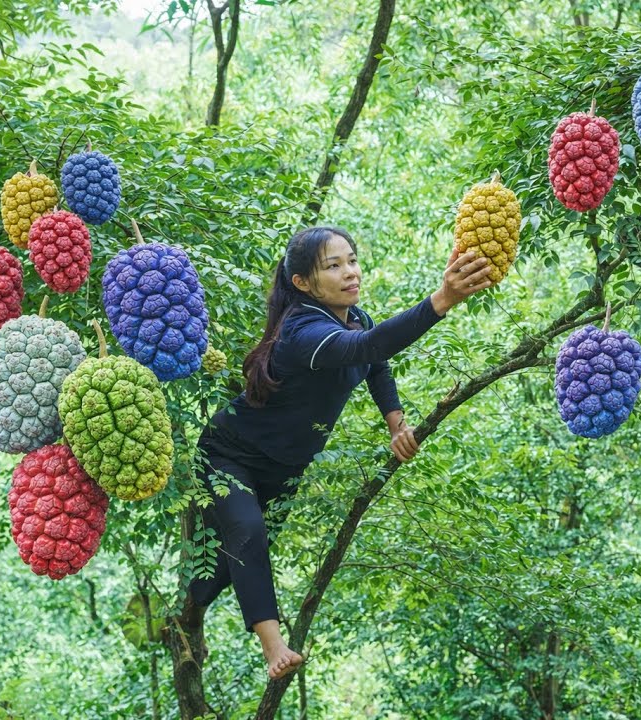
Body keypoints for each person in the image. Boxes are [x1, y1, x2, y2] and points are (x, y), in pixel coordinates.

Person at [190, 226, 494, 679]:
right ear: (303, 283)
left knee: (229, 562)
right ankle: (274, 649)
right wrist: (442, 300)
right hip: (229, 454)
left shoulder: (355, 318)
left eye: (351, 260)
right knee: (247, 534)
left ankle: (188, 614)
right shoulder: (303, 331)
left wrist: (397, 425)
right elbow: (368, 348)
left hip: (285, 467)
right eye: (333, 266)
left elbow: (376, 365)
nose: (350, 272)